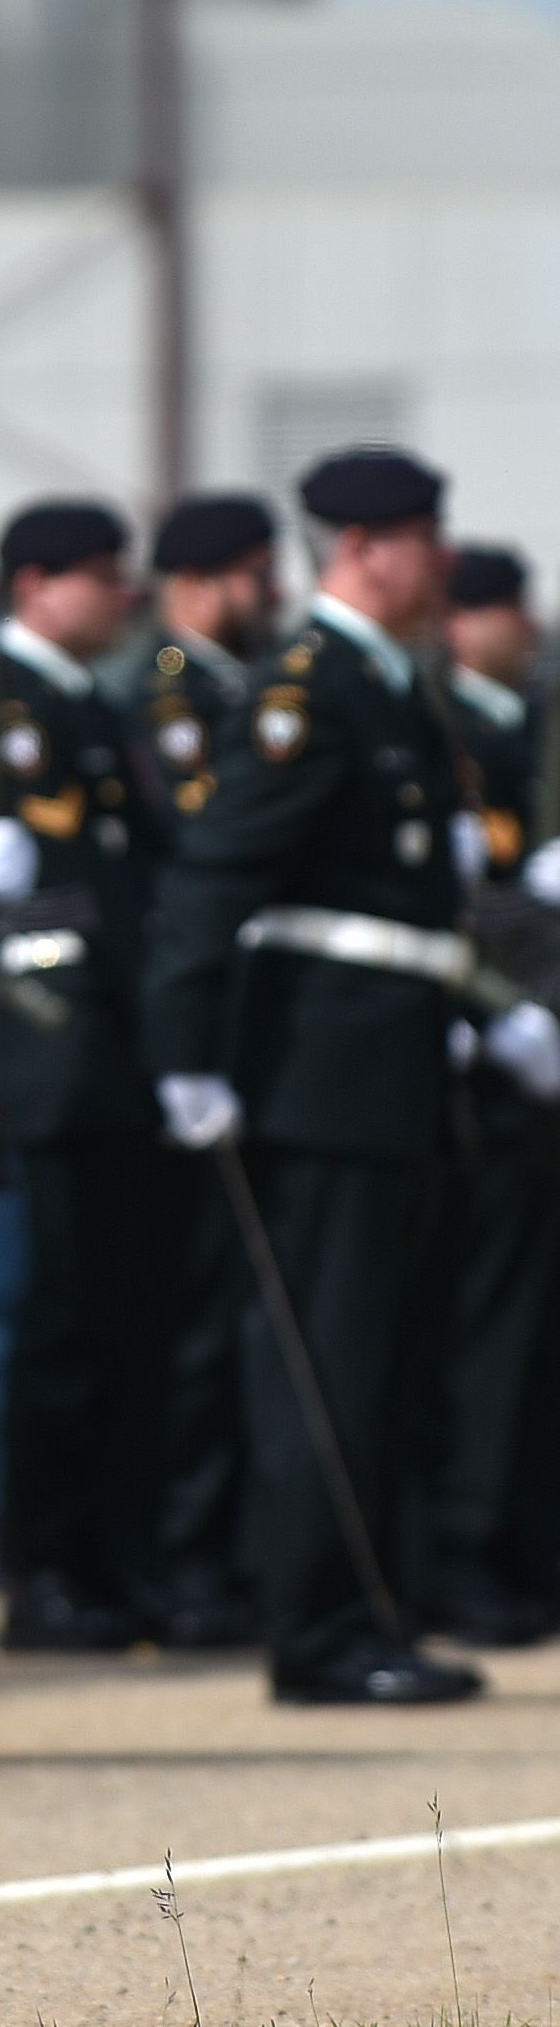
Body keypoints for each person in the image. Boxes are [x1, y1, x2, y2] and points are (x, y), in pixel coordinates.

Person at [148, 447, 536, 1704]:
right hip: (321, 1071)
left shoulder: (384, 681)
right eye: (422, 536)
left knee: (379, 1351)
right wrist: (186, 1054)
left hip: (388, 1057)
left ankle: (368, 1601)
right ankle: (317, 1630)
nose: (436, 558)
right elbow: (213, 876)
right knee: (325, 1356)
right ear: (366, 548)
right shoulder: (308, 689)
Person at [0, 500, 168, 1650]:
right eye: (97, 574)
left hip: (113, 1060)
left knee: (112, 1323)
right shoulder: (12, 707)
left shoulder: (88, 701)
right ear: (34, 584)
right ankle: (37, 1566)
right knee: (47, 1324)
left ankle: (102, 1559)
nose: (118, 594)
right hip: (46, 1062)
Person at [129, 491, 283, 1646]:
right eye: (245, 571)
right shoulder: (171, 693)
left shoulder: (236, 688)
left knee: (236, 1316)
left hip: (248, 1030)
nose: (263, 589)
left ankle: (226, 1552)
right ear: (195, 578)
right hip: (184, 1033)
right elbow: (199, 846)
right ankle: (182, 1560)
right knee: (183, 1323)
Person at [422, 544, 558, 1643]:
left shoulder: (513, 722)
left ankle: (517, 1540)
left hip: (526, 1049)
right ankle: (464, 1544)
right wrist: (493, 1014)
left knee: (526, 1326)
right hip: (477, 1056)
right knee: (480, 1324)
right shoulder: (444, 722)